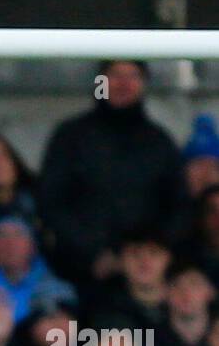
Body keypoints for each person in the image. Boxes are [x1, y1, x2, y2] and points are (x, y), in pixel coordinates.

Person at [37, 61, 185, 283]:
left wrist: (144, 254)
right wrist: (93, 253)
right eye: (115, 75)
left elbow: (179, 206)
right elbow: (51, 202)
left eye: (133, 76)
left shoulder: (159, 141)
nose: (124, 84)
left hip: (144, 276)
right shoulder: (70, 137)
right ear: (99, 82)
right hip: (79, 273)